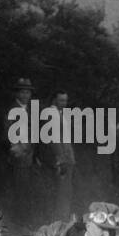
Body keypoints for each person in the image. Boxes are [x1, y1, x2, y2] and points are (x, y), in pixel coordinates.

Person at [5, 77, 38, 223]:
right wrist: (20, 152)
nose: (25, 95)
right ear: (16, 94)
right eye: (22, 92)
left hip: (30, 157)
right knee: (19, 192)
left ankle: (26, 221)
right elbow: (9, 135)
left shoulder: (30, 110)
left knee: (28, 191)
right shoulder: (12, 111)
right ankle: (19, 223)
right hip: (18, 158)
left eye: (28, 93)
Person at [40, 89, 75, 221]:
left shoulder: (61, 114)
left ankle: (61, 220)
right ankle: (60, 222)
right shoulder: (51, 114)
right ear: (54, 100)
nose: (64, 103)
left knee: (65, 192)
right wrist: (61, 160)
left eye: (65, 100)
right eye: (61, 100)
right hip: (60, 160)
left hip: (67, 157)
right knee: (61, 193)